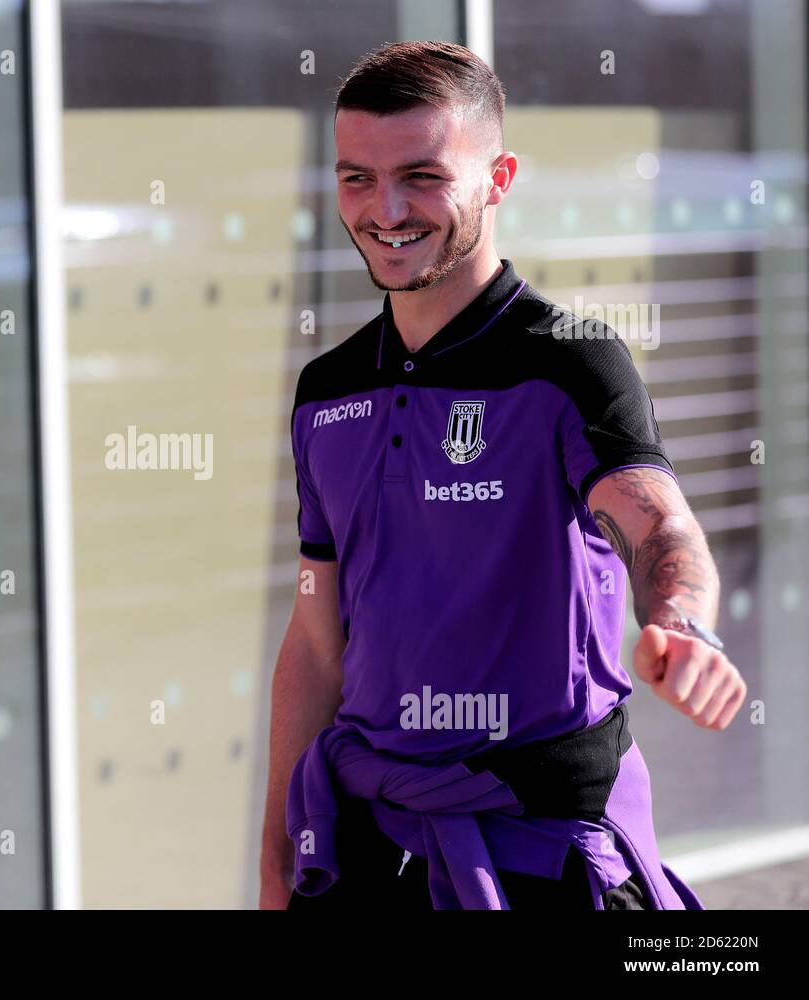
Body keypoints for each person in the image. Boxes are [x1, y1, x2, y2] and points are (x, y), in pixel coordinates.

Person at [258, 40, 745, 910]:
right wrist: (276, 861)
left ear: (499, 176)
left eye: (423, 175)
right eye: (357, 178)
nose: (387, 209)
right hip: (372, 844)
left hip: (543, 851)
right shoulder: (326, 389)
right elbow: (315, 635)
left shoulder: (571, 362)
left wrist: (684, 624)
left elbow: (659, 525)